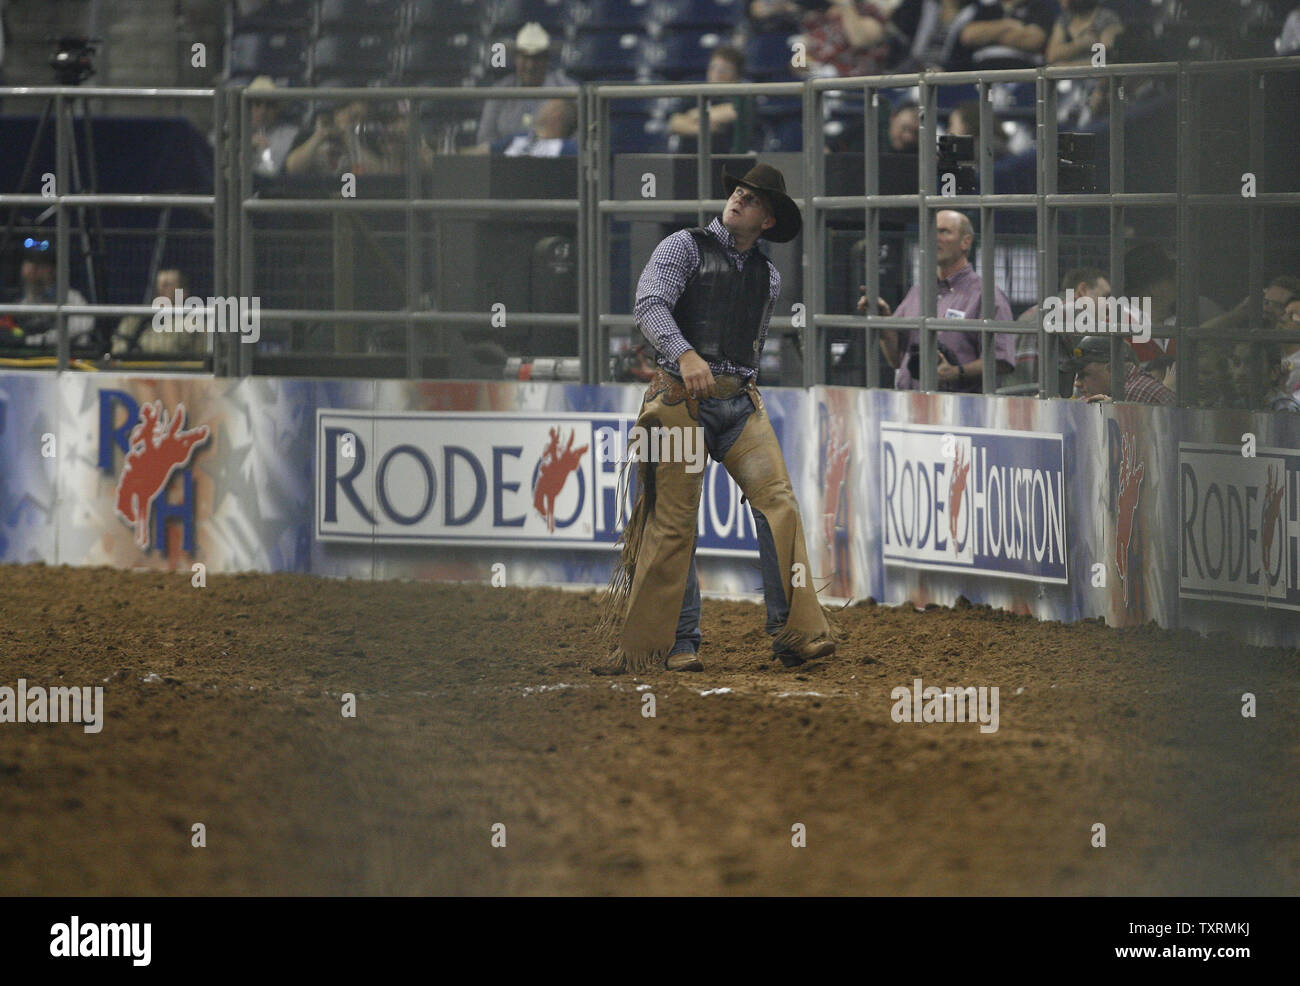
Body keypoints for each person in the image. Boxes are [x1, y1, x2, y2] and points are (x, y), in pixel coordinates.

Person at [597, 164, 836, 674]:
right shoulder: (684, 246)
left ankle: (794, 631)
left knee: (779, 506)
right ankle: (675, 641)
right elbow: (649, 303)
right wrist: (684, 354)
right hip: (679, 398)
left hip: (735, 400)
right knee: (674, 520)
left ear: (766, 221)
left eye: (750, 199)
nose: (737, 200)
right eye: (738, 192)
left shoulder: (766, 276)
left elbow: (748, 341)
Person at [866, 209, 1015, 392]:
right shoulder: (918, 292)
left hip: (962, 409)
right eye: (931, 231)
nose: (935, 238)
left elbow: (1002, 361)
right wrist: (884, 322)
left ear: (965, 242)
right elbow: (897, 359)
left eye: (944, 231)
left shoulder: (986, 296)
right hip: (909, 404)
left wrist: (957, 372)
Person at [1010, 265, 1111, 388]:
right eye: (1105, 297)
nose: (1108, 306)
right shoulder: (1073, 312)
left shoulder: (1031, 312)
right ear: (1083, 290)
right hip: (1051, 401)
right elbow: (1103, 365)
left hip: (1014, 398)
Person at [475, 23, 575, 147]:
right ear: (516, 58)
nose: (530, 65)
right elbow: (485, 140)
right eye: (525, 57)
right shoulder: (499, 92)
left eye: (536, 58)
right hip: (504, 164)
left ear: (546, 59)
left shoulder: (567, 90)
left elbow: (577, 143)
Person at [666, 46, 755, 155]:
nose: (717, 73)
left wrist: (693, 115)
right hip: (690, 159)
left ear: (737, 74)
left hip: (726, 161)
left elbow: (733, 112)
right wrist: (703, 129)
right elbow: (674, 123)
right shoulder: (696, 94)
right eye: (713, 67)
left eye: (725, 69)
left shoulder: (743, 95)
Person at [8, 242, 95, 349]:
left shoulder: (71, 297)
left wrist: (37, 340)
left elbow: (84, 325)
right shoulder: (20, 300)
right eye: (29, 262)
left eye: (41, 264)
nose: (33, 268)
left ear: (54, 270)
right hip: (29, 358)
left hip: (68, 357)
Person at [111, 269, 206, 358]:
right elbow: (117, 350)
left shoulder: (193, 324)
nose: (160, 289)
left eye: (166, 285)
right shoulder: (135, 319)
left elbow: (202, 360)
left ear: (183, 292)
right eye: (157, 285)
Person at [1062, 335, 1175, 405]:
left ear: (1111, 369)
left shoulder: (1134, 393)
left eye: (1084, 375)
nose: (1077, 383)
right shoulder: (1117, 390)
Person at [953, 0, 1056, 72]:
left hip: (1024, 74)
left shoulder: (1039, 5)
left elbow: (1034, 40)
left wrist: (989, 36)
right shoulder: (984, 7)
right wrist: (1009, 26)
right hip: (981, 75)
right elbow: (968, 36)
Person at [800, 0, 893, 77]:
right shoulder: (817, 13)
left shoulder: (867, 10)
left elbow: (859, 40)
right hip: (818, 83)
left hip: (856, 86)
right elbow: (802, 57)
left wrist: (846, 5)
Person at [464, 98, 579, 156]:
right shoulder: (519, 138)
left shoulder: (568, 149)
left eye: (547, 106)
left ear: (556, 115)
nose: (541, 108)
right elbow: (484, 151)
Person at [889, 0, 971, 73]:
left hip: (948, 74)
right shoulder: (916, 4)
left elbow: (966, 57)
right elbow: (896, 30)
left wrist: (947, 70)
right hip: (910, 68)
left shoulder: (975, 11)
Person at [246, 76, 299, 176]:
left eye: (269, 105)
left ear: (277, 108)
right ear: (249, 107)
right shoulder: (233, 131)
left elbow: (271, 172)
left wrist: (265, 150)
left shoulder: (289, 135)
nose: (263, 111)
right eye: (257, 104)